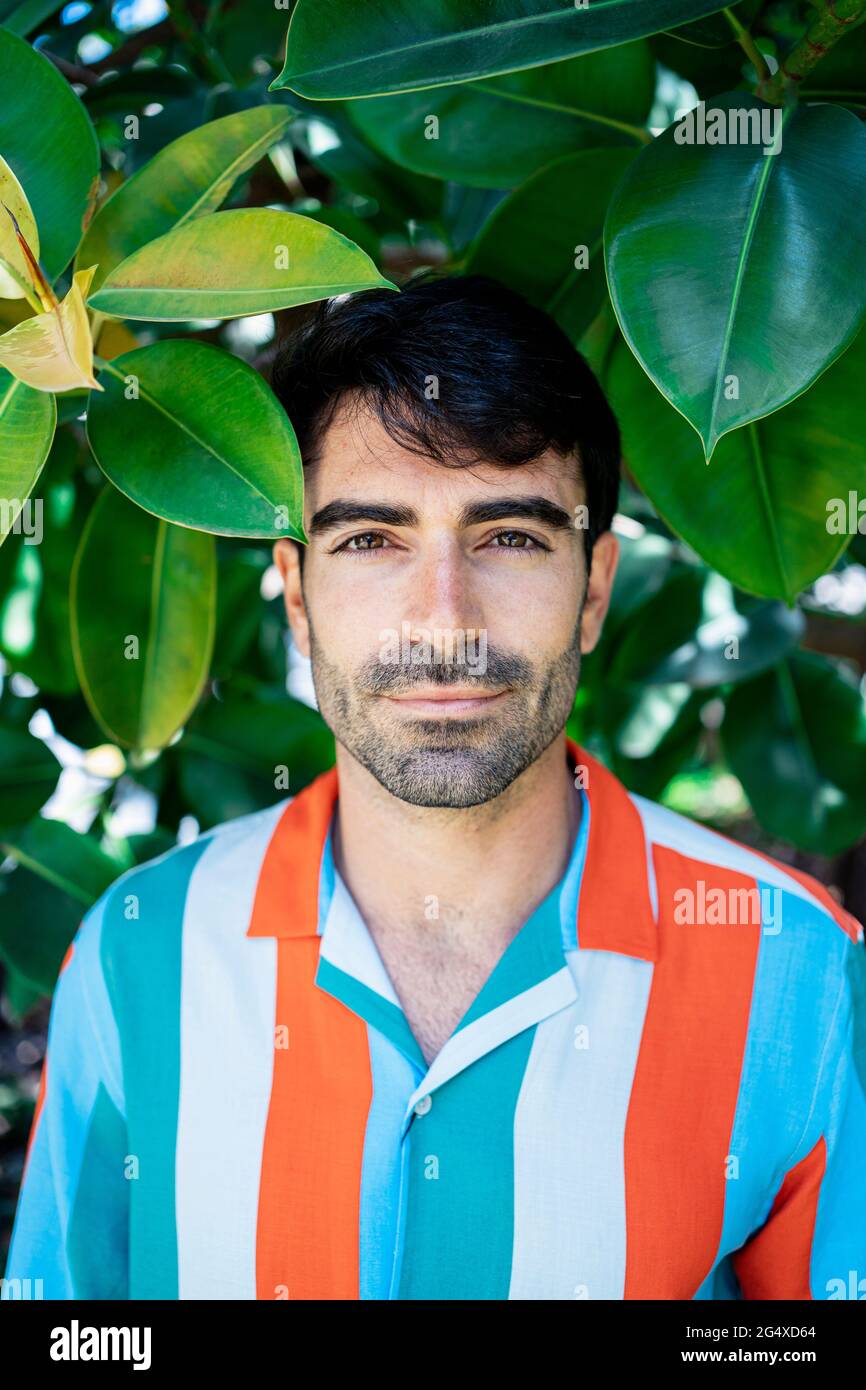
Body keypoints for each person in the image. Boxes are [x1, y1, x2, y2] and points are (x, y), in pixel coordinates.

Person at [5, 275, 866, 1301]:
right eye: (371, 540)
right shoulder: (136, 951)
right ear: (295, 591)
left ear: (592, 588)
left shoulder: (799, 974)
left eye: (508, 537)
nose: (442, 618)